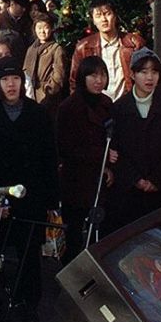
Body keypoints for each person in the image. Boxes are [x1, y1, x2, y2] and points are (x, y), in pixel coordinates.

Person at [0, 58, 58, 322]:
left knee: (29, 254)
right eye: (4, 79)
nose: (11, 85)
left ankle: (29, 306)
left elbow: (49, 157)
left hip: (32, 196)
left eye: (15, 79)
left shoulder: (39, 114)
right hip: (0, 199)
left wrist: (51, 199)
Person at [108, 48, 161, 233]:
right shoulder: (119, 109)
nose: (150, 77)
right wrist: (134, 179)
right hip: (128, 195)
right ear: (133, 74)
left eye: (154, 72)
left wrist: (156, 180)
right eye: (143, 72)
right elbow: (115, 151)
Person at [55, 56, 112, 263]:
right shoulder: (69, 107)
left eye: (102, 75)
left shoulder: (107, 104)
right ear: (82, 77)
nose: (99, 80)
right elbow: (66, 147)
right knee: (74, 236)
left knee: (100, 234)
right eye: (93, 75)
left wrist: (108, 165)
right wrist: (100, 154)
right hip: (76, 182)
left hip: (100, 181)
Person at [68, 0, 145, 102]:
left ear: (115, 16)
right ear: (93, 20)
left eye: (107, 14)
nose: (103, 19)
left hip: (127, 103)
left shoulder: (134, 43)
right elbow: (75, 82)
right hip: (97, 105)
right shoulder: (84, 47)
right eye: (98, 16)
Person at [22, 14, 67, 114]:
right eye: (39, 28)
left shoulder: (56, 49)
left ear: (51, 29)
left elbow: (59, 74)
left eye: (46, 27)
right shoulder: (31, 48)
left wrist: (49, 91)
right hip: (30, 93)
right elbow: (25, 70)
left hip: (48, 95)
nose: (42, 31)